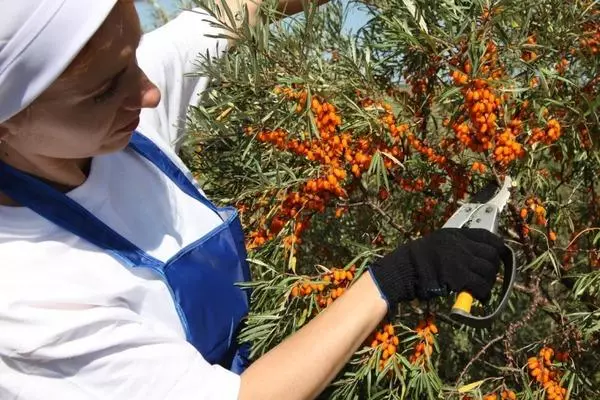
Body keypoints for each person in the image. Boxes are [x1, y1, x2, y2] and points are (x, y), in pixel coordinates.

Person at [0, 1, 508, 399]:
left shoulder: (115, 116)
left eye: (132, 55)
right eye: (104, 90)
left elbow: (234, 11)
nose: (148, 91)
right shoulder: (27, 294)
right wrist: (396, 277)